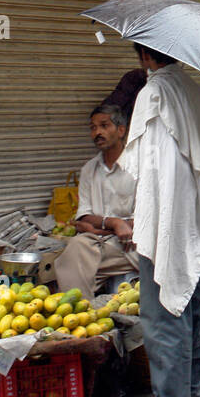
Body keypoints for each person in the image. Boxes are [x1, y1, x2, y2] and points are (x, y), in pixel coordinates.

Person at [120, 42, 200, 397]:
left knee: (164, 309)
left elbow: (150, 167)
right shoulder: (195, 91)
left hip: (166, 220)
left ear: (146, 56)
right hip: (192, 218)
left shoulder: (154, 93)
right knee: (191, 308)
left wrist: (147, 220)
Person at [52, 104, 139, 297]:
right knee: (75, 252)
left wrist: (96, 228)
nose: (97, 132)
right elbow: (84, 216)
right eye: (93, 127)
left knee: (75, 259)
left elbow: (145, 219)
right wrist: (114, 223)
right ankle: (81, 314)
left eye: (104, 125)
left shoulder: (139, 167)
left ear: (121, 130)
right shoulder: (89, 169)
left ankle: (79, 311)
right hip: (98, 241)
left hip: (130, 244)